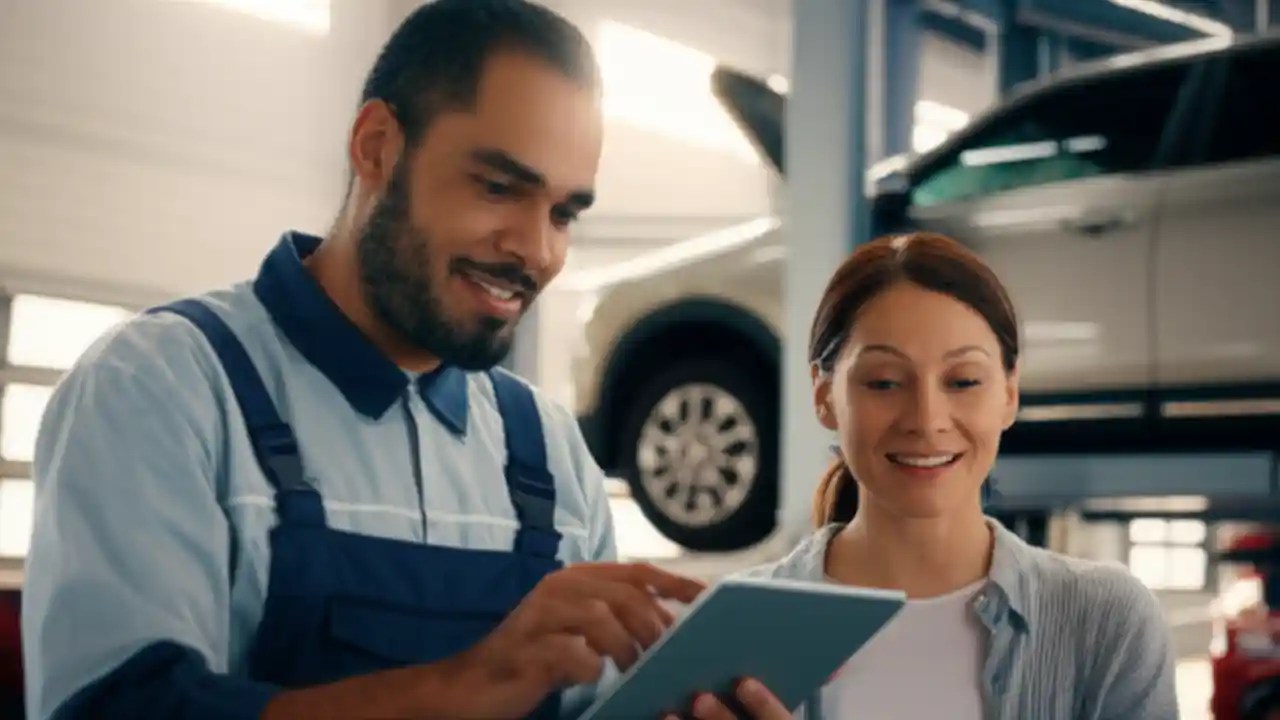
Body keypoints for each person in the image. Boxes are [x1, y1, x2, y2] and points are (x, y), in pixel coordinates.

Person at [20, 2, 792, 719]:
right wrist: (467, 684)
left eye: (563, 213)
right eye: (499, 187)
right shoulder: (163, 387)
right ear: (378, 148)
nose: (536, 250)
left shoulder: (552, 455)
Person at [742, 232, 1178, 719]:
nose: (927, 420)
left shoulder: (1105, 623)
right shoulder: (737, 628)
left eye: (963, 381)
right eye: (884, 382)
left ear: (1009, 393)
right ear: (823, 395)